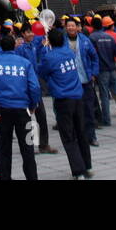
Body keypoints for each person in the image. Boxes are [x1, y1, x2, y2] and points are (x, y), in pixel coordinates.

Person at [32, 27, 92, 179]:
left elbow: (41, 72)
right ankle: (86, 166)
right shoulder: (69, 52)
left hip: (63, 99)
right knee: (80, 132)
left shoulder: (50, 57)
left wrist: (43, 49)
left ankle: (78, 171)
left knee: (68, 136)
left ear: (50, 41)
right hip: (77, 96)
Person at [0, 33, 41, 181]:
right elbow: (34, 87)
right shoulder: (24, 63)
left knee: (4, 147)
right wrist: (33, 105)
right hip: (23, 110)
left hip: (2, 110)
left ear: (0, 47)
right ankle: (32, 177)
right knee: (28, 146)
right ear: (15, 46)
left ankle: (4, 177)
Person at [62, 17, 100, 146]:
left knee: (88, 109)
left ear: (77, 27)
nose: (71, 28)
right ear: (66, 28)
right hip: (71, 83)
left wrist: (94, 73)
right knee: (73, 112)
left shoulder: (85, 40)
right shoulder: (62, 42)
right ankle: (77, 137)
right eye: (69, 26)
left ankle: (91, 136)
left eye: (73, 25)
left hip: (85, 80)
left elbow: (94, 57)